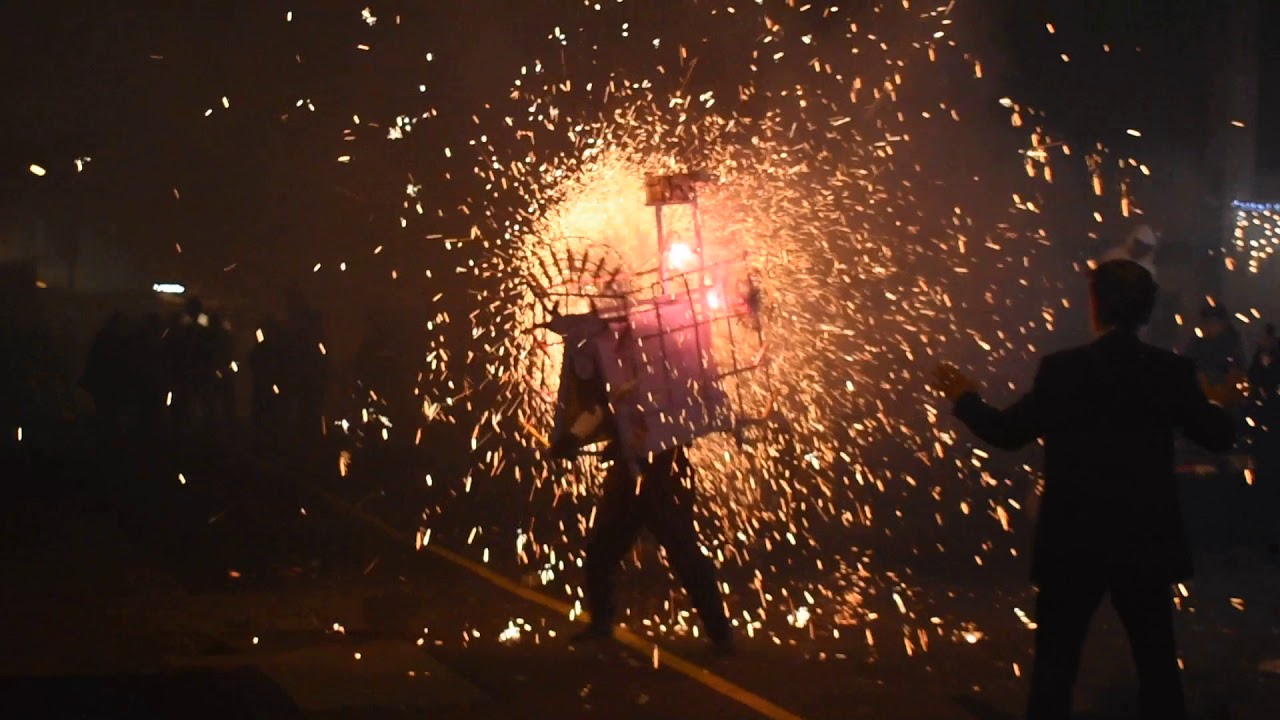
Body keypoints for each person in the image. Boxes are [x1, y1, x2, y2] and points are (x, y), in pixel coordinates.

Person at [932, 259, 1235, 720]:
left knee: (1055, 667)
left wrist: (965, 398)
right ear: (1147, 310)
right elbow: (1218, 436)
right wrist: (1220, 402)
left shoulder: (1063, 370)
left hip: (1075, 540)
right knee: (1157, 666)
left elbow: (1008, 433)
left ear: (1096, 306)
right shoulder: (1167, 371)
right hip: (1143, 539)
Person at [545, 313, 733, 654]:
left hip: (663, 474)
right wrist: (571, 439)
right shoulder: (621, 363)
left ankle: (721, 634)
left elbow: (618, 410)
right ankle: (602, 624)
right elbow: (604, 409)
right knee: (604, 551)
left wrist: (573, 439)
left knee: (683, 553)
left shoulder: (652, 365)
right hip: (634, 476)